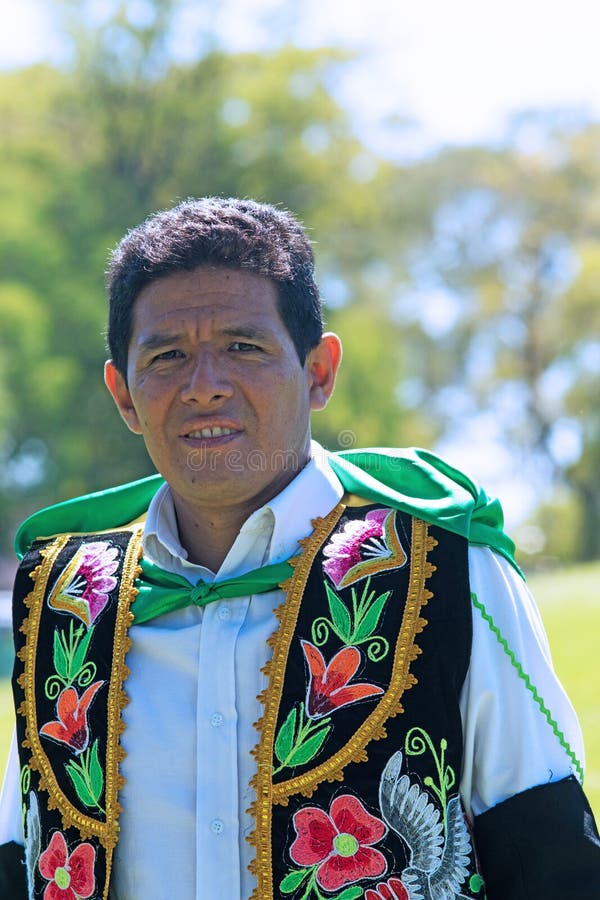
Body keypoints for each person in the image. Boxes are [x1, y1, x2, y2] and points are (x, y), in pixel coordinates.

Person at [0, 197, 598, 900]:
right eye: (167, 356)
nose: (205, 386)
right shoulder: (63, 600)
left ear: (319, 371)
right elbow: (24, 864)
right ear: (123, 394)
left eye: (243, 347)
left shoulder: (448, 567)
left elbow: (558, 864)